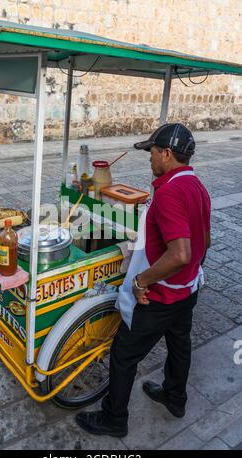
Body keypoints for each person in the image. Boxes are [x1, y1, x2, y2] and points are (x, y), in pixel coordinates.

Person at [75, 123, 211, 437]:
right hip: (187, 291)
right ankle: (175, 398)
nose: (149, 158)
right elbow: (205, 240)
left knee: (123, 355)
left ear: (166, 153)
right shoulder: (196, 185)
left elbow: (180, 254)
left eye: (152, 152)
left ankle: (114, 419)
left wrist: (141, 282)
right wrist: (191, 277)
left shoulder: (170, 192)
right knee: (180, 345)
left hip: (160, 296)